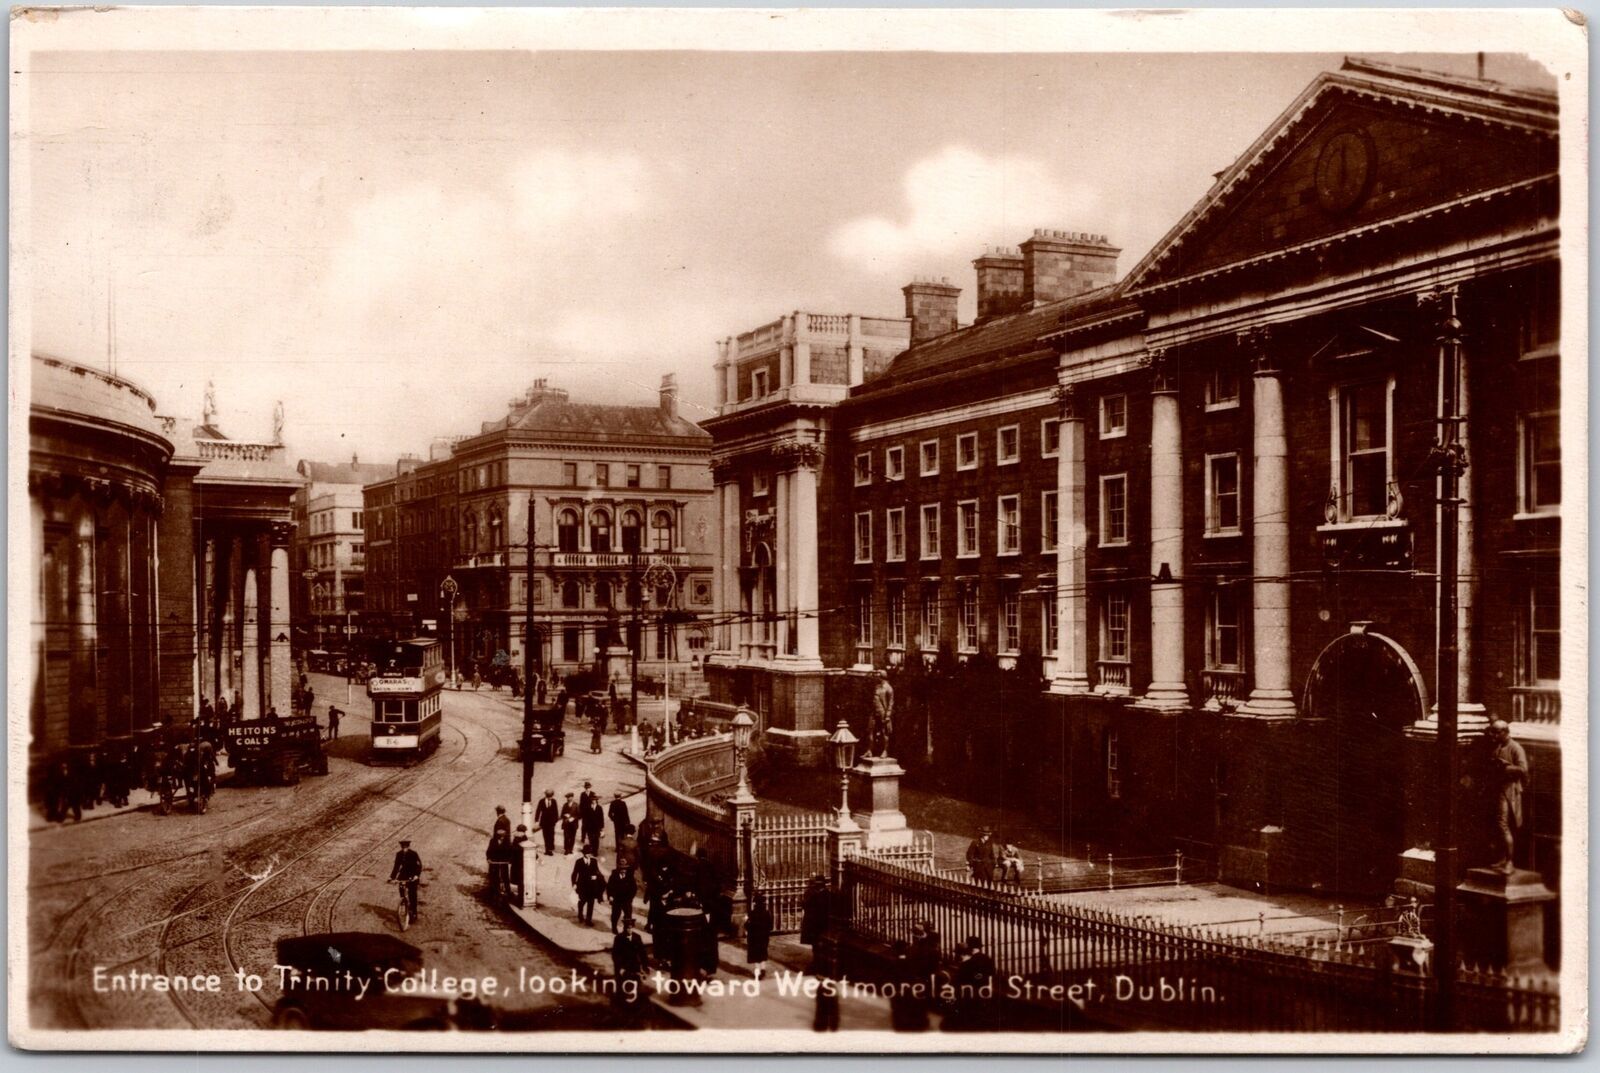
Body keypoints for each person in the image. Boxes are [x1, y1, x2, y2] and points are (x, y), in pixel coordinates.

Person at [1489, 720, 1530, 874]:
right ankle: (1503, 858)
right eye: (1492, 732)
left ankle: (1510, 862)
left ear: (1505, 732)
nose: (1493, 735)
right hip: (1499, 789)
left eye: (1496, 732)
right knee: (1499, 825)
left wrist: (1505, 767)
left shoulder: (1515, 748)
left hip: (1510, 791)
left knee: (1503, 825)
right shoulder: (1498, 746)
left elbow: (1523, 769)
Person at [948, 936, 998, 1031]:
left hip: (970, 994)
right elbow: (992, 973)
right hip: (985, 990)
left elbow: (959, 980)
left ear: (970, 948)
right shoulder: (987, 958)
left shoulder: (968, 963)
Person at [611, 915, 648, 1006]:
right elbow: (615, 955)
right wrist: (619, 968)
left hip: (634, 966)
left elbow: (642, 952)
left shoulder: (637, 937)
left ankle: (635, 1003)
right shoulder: (619, 938)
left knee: (636, 984)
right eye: (627, 928)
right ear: (624, 928)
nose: (629, 930)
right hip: (623, 966)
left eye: (631, 928)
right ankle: (621, 1003)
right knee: (623, 986)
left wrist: (645, 966)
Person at [572, 846, 605, 926]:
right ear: (584, 853)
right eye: (587, 853)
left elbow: (597, 871)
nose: (589, 854)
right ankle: (580, 914)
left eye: (590, 853)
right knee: (582, 902)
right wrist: (574, 883)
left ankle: (588, 920)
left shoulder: (594, 861)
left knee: (591, 903)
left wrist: (597, 876)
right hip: (582, 886)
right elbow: (574, 873)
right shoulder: (579, 861)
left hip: (591, 886)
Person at [390, 839, 423, 920]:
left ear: (408, 847)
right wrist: (392, 877)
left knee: (412, 895)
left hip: (412, 875)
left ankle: (414, 913)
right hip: (403, 875)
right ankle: (403, 905)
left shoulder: (413, 854)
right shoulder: (399, 854)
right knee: (401, 891)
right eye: (402, 847)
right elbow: (396, 866)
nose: (404, 849)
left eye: (405, 847)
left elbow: (419, 865)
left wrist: (416, 875)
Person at [744, 892, 774, 981]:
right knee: (763, 952)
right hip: (764, 937)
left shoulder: (752, 913)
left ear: (755, 903)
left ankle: (757, 972)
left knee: (755, 954)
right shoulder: (767, 913)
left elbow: (748, 926)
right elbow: (770, 926)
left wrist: (746, 921)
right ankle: (763, 969)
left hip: (754, 938)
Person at [800, 875, 831, 947]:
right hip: (816, 920)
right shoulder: (824, 893)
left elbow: (804, 905)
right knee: (816, 940)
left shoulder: (813, 893)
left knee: (819, 940)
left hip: (820, 920)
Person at [606, 863, 637, 934]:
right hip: (616, 899)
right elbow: (609, 887)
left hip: (627, 900)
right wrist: (610, 896)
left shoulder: (630, 877)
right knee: (615, 915)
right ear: (619, 869)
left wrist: (630, 897)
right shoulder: (614, 876)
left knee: (628, 915)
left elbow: (634, 888)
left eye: (625, 869)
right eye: (622, 869)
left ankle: (626, 929)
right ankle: (614, 927)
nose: (623, 871)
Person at [870, 671, 895, 757]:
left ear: (882, 677)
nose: (876, 678)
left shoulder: (889, 688)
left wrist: (888, 715)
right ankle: (869, 750)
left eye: (877, 676)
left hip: (883, 713)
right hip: (874, 712)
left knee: (885, 732)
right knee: (870, 730)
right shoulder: (877, 687)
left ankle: (885, 751)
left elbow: (891, 703)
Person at [486, 830, 514, 901]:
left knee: (505, 877)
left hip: (504, 862)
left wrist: (510, 859)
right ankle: (494, 892)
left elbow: (511, 851)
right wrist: (489, 858)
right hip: (494, 862)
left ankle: (508, 891)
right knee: (495, 877)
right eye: (500, 837)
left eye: (503, 836)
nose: (502, 838)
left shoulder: (507, 842)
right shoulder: (493, 841)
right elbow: (489, 851)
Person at [579, 782, 604, 852]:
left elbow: (600, 814)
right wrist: (581, 813)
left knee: (595, 836)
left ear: (590, 787)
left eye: (588, 787)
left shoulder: (593, 793)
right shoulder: (582, 794)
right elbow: (581, 804)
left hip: (592, 814)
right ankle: (583, 837)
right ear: (585, 788)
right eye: (586, 787)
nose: (587, 788)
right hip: (585, 813)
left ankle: (595, 850)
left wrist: (601, 827)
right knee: (584, 826)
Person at [534, 790, 560, 855]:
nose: (550, 798)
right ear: (546, 796)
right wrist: (536, 820)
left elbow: (556, 811)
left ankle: (550, 850)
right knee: (545, 836)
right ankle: (547, 850)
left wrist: (556, 820)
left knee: (551, 836)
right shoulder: (541, 801)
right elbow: (538, 810)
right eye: (549, 796)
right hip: (544, 822)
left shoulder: (554, 801)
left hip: (551, 822)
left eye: (551, 796)